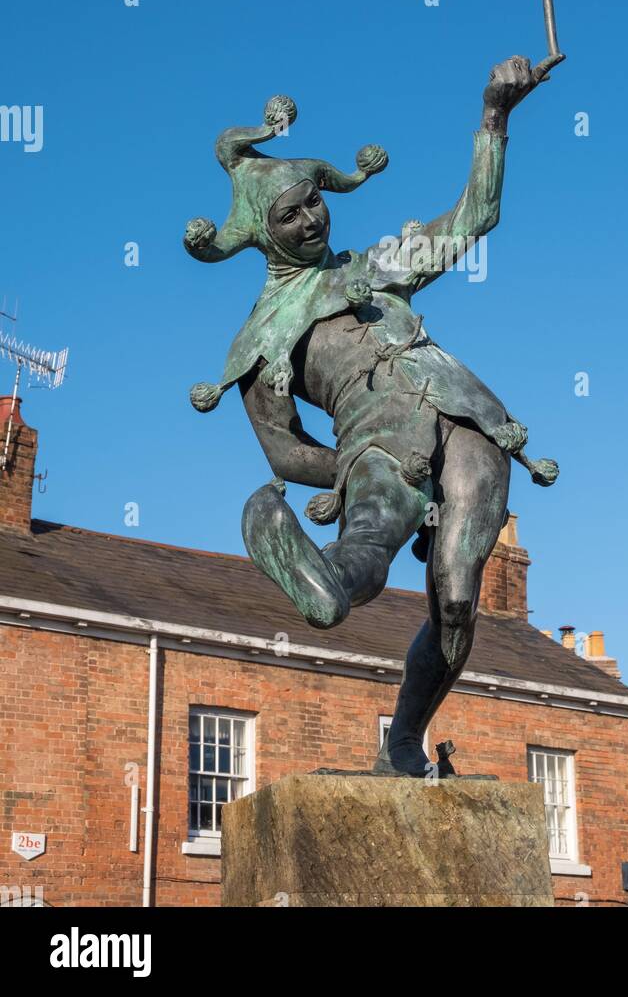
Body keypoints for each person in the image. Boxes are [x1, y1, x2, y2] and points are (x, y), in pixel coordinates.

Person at [185, 52, 561, 776]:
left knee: (456, 601)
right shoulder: (260, 340)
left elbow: (476, 216)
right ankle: (323, 586)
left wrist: (495, 114)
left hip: (465, 418)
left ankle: (405, 741)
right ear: (262, 234)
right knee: (371, 535)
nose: (308, 221)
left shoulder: (374, 269)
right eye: (288, 216)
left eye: (314, 202)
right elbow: (285, 454)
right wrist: (350, 470)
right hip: (372, 445)